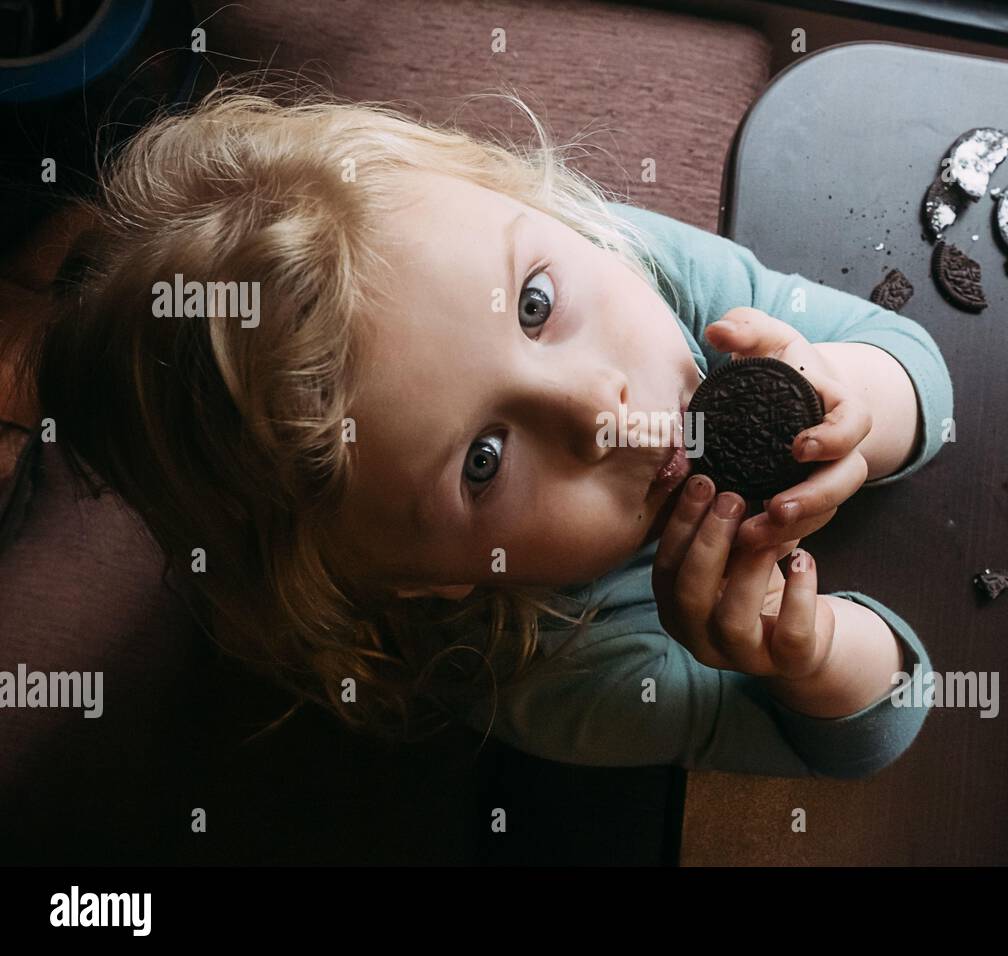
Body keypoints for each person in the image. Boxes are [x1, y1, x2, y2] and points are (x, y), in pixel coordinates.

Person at [18, 81, 954, 778]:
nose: (598, 411)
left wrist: (847, 396)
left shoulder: (627, 265)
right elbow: (884, 727)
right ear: (436, 581)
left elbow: (921, 377)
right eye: (483, 460)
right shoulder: (578, 677)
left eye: (537, 306)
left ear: (533, 208)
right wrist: (810, 654)